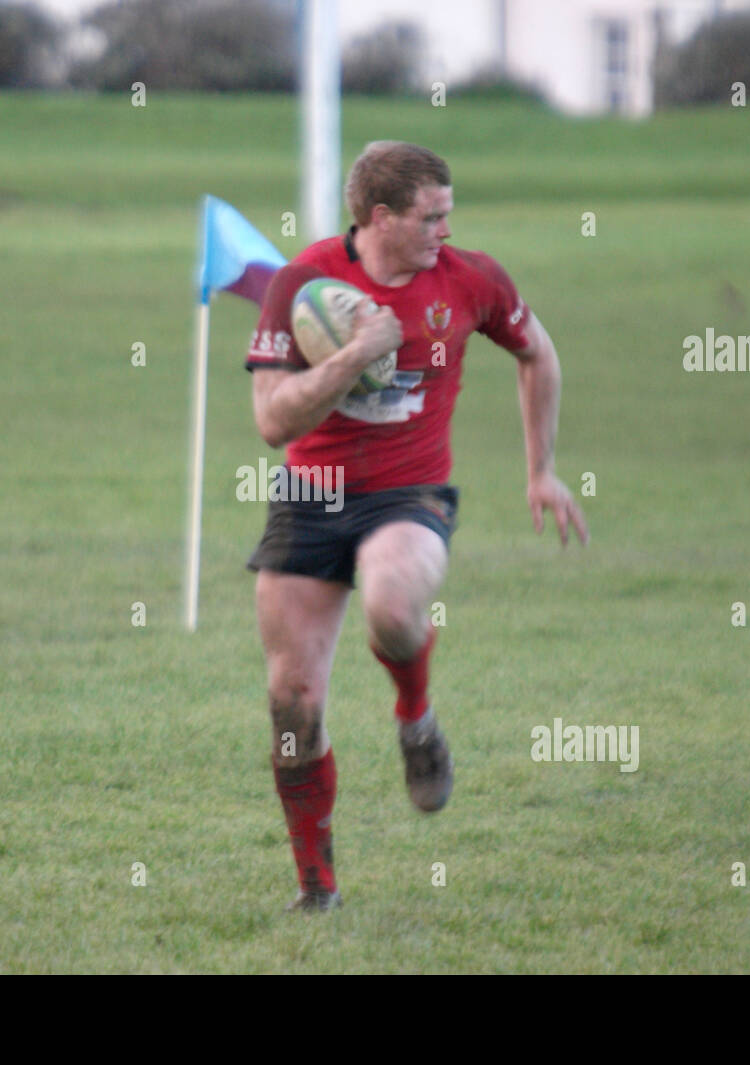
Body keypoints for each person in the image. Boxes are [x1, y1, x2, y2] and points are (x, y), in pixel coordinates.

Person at [244, 141, 588, 911]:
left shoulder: (471, 279)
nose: (446, 228)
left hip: (410, 491)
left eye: (449, 213)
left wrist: (541, 469)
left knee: (394, 604)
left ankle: (416, 719)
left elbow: (539, 354)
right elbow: (270, 420)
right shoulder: (302, 284)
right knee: (292, 704)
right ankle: (316, 887)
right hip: (312, 493)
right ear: (381, 217)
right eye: (432, 216)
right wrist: (352, 357)